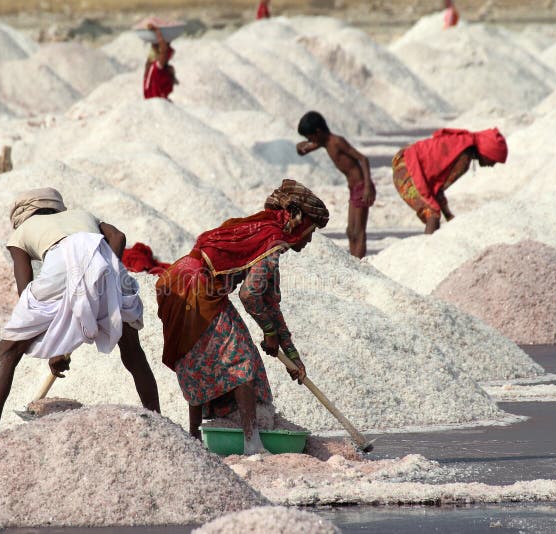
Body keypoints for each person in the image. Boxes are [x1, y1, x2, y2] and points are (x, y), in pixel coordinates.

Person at [156, 179, 328, 455]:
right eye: (311, 231)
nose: (309, 239)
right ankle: (252, 442)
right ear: (299, 220)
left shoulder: (260, 229)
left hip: (176, 279)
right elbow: (250, 294)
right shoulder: (273, 240)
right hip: (199, 288)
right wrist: (269, 334)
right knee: (241, 360)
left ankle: (195, 440)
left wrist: (292, 356)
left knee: (196, 358)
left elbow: (269, 301)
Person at [0, 187, 161, 441]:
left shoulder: (21, 233)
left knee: (8, 351)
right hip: (105, 258)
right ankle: (158, 425)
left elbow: (28, 298)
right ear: (57, 207)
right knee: (132, 350)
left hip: (61, 260)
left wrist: (49, 337)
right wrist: (107, 272)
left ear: (22, 216)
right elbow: (119, 237)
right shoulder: (82, 214)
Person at [392, 128, 508, 234]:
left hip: (405, 161)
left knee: (433, 210)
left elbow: (436, 185)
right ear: (488, 151)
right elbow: (437, 190)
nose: (492, 165)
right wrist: (448, 215)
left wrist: (448, 215)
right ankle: (428, 250)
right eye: (494, 160)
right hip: (407, 169)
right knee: (432, 212)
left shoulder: (462, 144)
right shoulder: (463, 159)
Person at [296, 111, 375, 259]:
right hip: (353, 189)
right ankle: (354, 260)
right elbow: (303, 152)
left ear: (318, 132)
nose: (309, 140)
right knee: (350, 231)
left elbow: (363, 159)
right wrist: (299, 147)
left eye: (309, 137)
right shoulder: (323, 142)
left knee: (358, 231)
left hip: (362, 187)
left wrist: (368, 186)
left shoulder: (337, 141)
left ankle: (359, 262)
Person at [143, 23, 177, 100]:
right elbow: (163, 51)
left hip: (156, 105)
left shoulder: (156, 68)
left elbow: (164, 51)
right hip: (155, 104)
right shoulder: (155, 68)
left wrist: (157, 32)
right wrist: (157, 32)